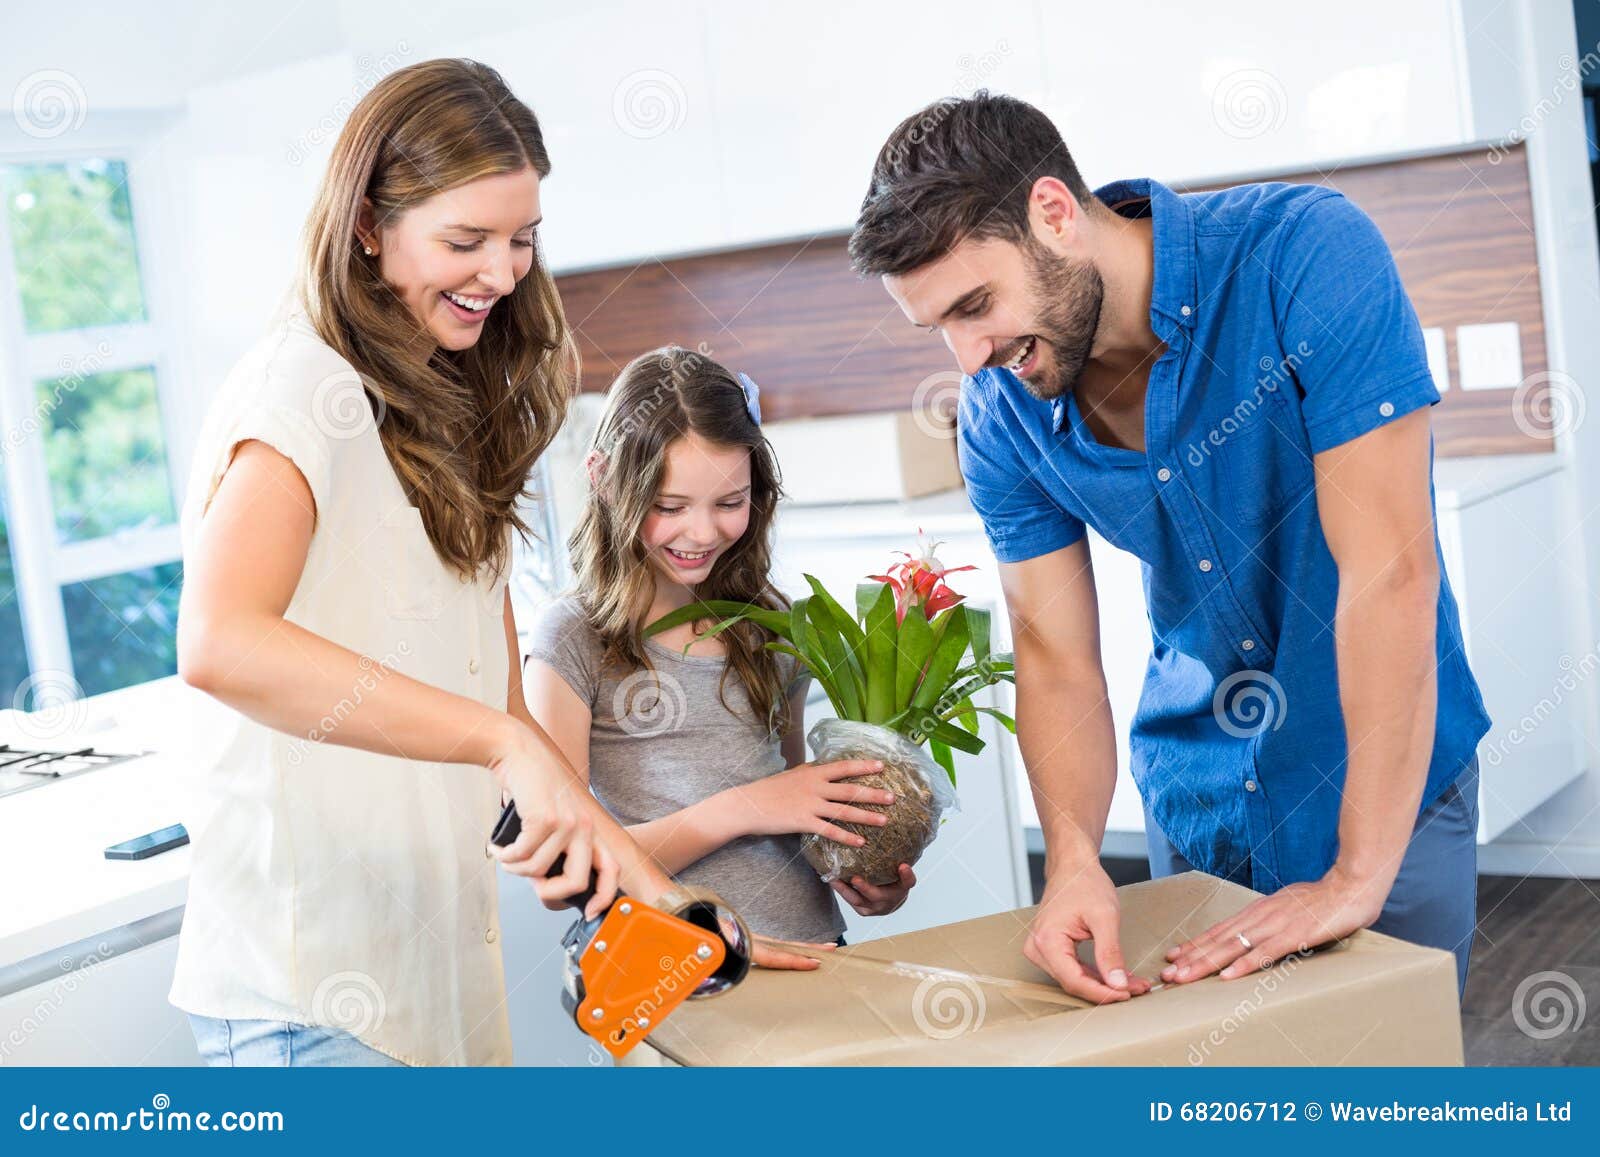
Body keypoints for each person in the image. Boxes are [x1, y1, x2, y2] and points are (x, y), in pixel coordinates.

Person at [848, 91, 1490, 1001]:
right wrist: (1072, 858)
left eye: (977, 304)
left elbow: (1390, 573)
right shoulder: (1000, 414)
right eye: (939, 327)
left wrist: (1354, 876)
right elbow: (1052, 649)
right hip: (1198, 803)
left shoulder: (1303, 257)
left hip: (1383, 791)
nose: (967, 356)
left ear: (1055, 214)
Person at [523, 346, 918, 952]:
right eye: (669, 507)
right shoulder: (574, 637)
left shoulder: (773, 622)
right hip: (672, 970)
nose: (703, 532)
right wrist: (744, 808)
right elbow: (562, 868)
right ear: (604, 479)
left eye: (730, 503)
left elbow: (786, 797)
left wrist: (857, 870)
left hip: (814, 950)